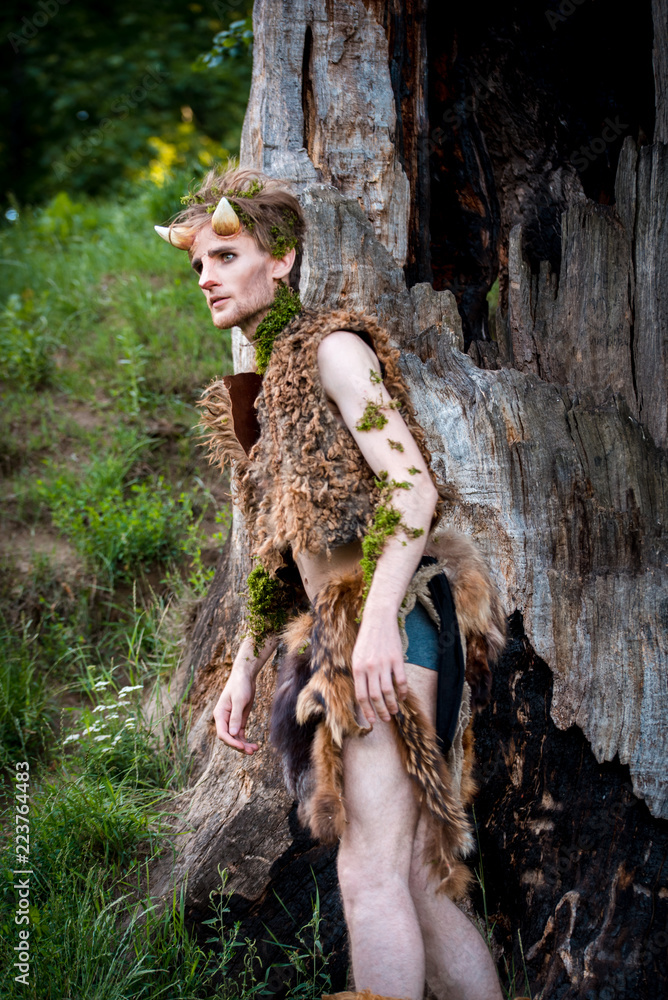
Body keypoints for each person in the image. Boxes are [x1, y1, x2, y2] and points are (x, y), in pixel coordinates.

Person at [155, 166, 507, 1000]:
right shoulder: (269, 382)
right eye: (198, 263)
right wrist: (244, 663)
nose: (205, 276)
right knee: (411, 884)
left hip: (393, 626)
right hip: (347, 635)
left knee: (369, 876)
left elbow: (412, 488)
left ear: (279, 260)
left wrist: (378, 620)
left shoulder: (331, 349)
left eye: (226, 254)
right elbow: (283, 555)